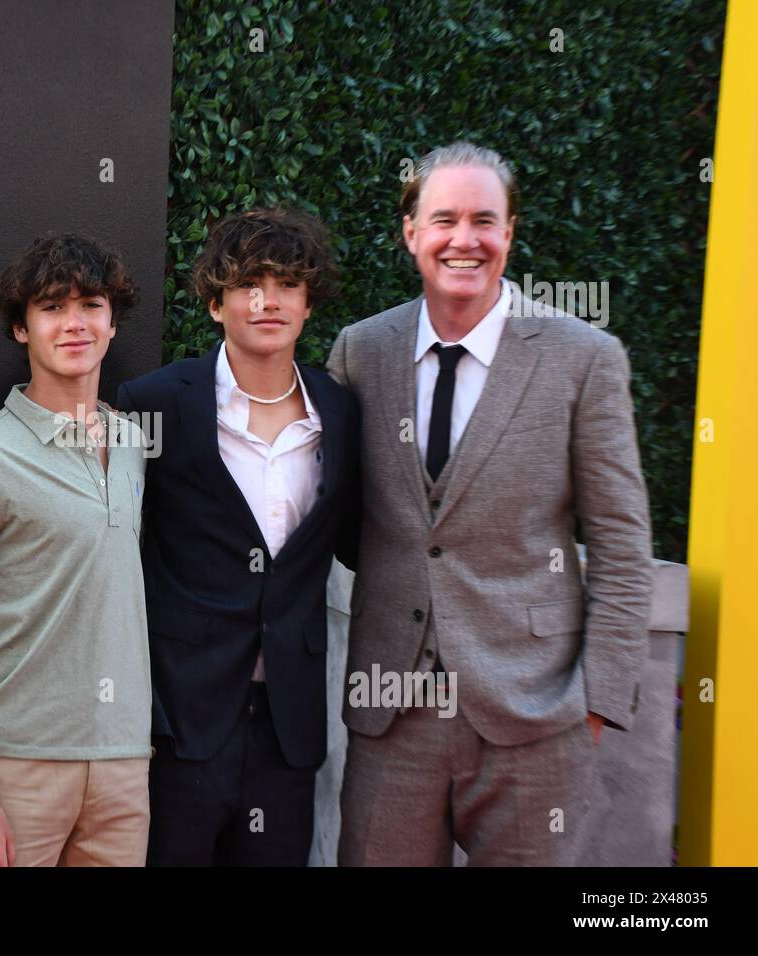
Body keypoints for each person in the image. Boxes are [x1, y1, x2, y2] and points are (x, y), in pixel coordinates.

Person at [327, 142, 653, 866]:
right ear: (410, 231)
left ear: (510, 232)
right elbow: (341, 520)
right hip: (393, 717)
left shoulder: (583, 358)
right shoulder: (360, 351)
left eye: (485, 219)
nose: (464, 239)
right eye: (444, 219)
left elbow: (625, 551)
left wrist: (597, 702)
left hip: (536, 720)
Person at [116, 207, 361, 866]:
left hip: (289, 729)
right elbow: (117, 553)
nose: (268, 301)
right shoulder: (155, 402)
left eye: (287, 284)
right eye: (249, 282)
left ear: (310, 305)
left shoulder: (340, 412)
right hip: (180, 722)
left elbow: (361, 542)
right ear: (215, 301)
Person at [0, 234, 152, 867]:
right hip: (14, 766)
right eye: (51, 307)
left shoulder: (134, 444)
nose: (74, 323)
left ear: (112, 320)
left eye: (91, 305)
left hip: (125, 762)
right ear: (21, 329)